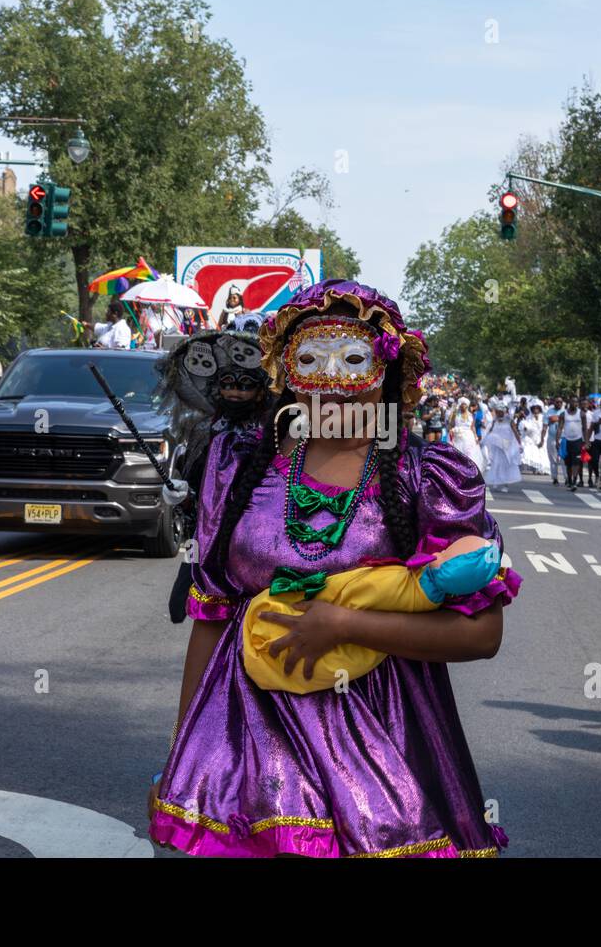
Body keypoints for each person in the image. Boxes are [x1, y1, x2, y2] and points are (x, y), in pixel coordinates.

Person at [148, 279, 517, 858]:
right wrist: (179, 752)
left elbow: (482, 634)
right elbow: (213, 614)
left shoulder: (431, 478)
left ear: (389, 374)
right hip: (239, 747)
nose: (332, 388)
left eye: (353, 363)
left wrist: (345, 626)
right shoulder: (238, 460)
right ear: (286, 372)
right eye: (312, 362)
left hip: (380, 749)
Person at [158, 332, 272, 624]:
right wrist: (181, 496)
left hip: (258, 542)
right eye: (227, 385)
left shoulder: (275, 432)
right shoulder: (205, 431)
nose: (235, 393)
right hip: (208, 540)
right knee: (186, 609)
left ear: (261, 391)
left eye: (245, 386)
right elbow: (195, 492)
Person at [481, 398, 522, 492]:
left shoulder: (509, 420)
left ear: (504, 411)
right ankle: (496, 481)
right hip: (497, 447)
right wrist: (485, 441)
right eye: (497, 411)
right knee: (496, 464)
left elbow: (515, 432)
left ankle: (505, 484)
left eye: (501, 411)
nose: (499, 413)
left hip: (507, 446)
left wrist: (519, 444)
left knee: (506, 465)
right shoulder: (494, 421)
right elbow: (490, 432)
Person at [449, 397, 485, 474]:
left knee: (469, 454)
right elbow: (451, 424)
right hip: (458, 438)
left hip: (469, 437)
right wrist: (451, 430)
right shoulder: (456, 414)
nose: (463, 406)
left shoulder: (471, 415)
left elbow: (472, 427)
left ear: (467, 405)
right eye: (461, 404)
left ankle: (469, 472)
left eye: (464, 404)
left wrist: (476, 437)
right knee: (459, 455)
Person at [559, 398, 586, 491]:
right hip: (566, 440)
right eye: (573, 402)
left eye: (576, 402)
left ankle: (574, 481)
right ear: (569, 403)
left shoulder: (581, 414)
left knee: (576, 462)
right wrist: (557, 440)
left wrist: (586, 441)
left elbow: (585, 428)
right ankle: (569, 480)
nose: (574, 403)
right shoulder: (563, 414)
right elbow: (560, 428)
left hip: (577, 440)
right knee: (568, 463)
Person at [520, 402, 548, 475]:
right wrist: (525, 428)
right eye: (534, 408)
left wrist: (542, 439)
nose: (535, 410)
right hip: (532, 437)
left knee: (542, 453)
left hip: (541, 437)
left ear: (539, 409)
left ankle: (542, 469)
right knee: (534, 453)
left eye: (537, 408)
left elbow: (545, 427)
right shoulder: (529, 417)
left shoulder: (543, 417)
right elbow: (526, 426)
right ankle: (536, 469)